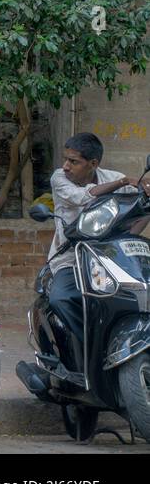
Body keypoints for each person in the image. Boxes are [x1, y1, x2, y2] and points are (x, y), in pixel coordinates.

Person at [45, 133, 150, 345]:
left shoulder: (110, 176)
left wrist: (145, 190)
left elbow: (140, 200)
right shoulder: (59, 179)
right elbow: (83, 196)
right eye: (65, 159)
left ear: (93, 164)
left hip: (107, 259)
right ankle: (88, 342)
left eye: (73, 161)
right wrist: (123, 181)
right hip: (70, 259)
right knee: (61, 299)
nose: (66, 166)